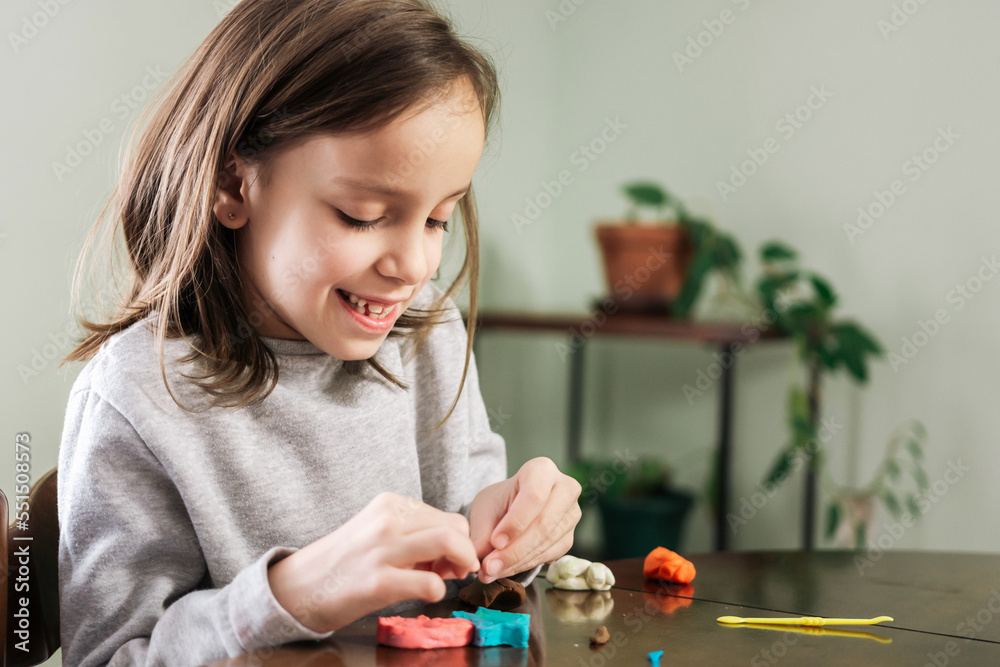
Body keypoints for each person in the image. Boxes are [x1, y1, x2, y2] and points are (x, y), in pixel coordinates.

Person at [56, 1, 582, 664]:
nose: (413, 266)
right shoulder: (137, 397)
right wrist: (291, 593)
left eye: (437, 220)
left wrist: (513, 529)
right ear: (232, 182)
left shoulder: (428, 339)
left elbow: (474, 593)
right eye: (361, 216)